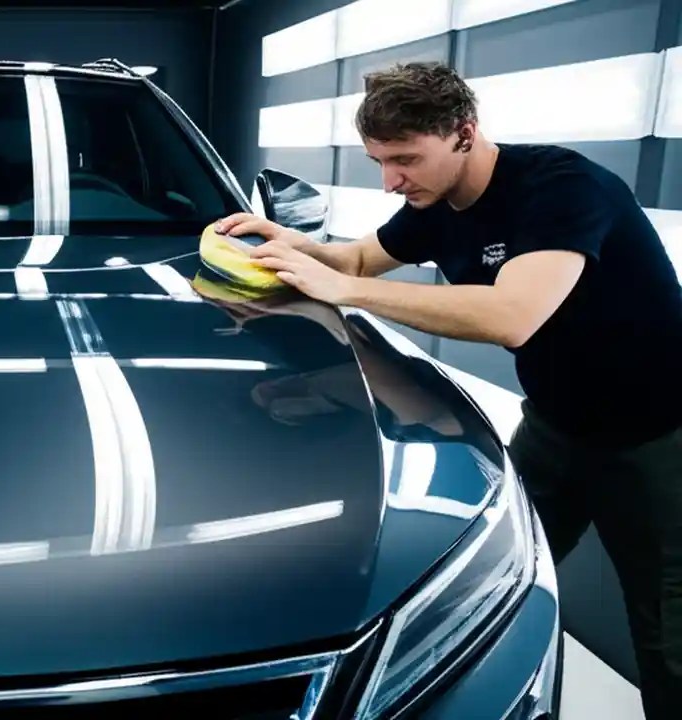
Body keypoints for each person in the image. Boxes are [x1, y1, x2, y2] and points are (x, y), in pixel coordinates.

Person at [213, 61, 682, 717]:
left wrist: (346, 291)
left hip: (659, 435)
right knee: (485, 581)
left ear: (464, 132)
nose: (390, 181)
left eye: (405, 159)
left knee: (667, 633)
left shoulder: (563, 188)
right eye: (380, 161)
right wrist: (286, 243)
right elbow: (355, 259)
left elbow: (513, 316)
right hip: (556, 426)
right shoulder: (435, 204)